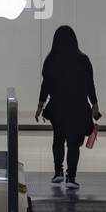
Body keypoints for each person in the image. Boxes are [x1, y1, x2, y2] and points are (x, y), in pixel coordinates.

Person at [35, 25, 100, 191]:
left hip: (58, 107)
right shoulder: (83, 60)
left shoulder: (52, 60)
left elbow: (46, 85)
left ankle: (58, 172)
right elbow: (89, 84)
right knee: (73, 142)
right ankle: (71, 176)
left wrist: (40, 105)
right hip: (78, 106)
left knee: (58, 139)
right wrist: (94, 103)